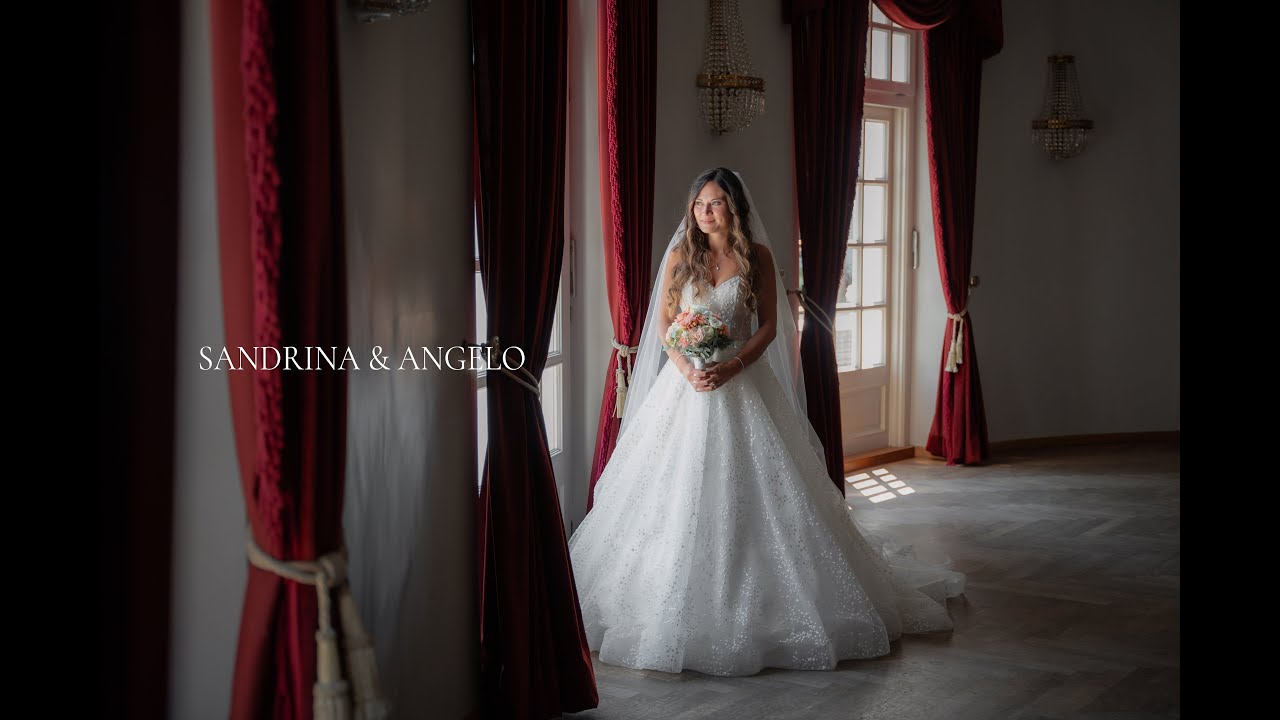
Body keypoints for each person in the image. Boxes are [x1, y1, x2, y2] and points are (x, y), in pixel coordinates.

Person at [567, 167, 964, 677]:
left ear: (734, 207)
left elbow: (772, 327)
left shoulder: (757, 258)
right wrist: (688, 367)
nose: (705, 213)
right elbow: (666, 325)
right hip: (685, 387)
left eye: (715, 204)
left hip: (742, 383)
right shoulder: (679, 258)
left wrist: (730, 365)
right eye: (699, 204)